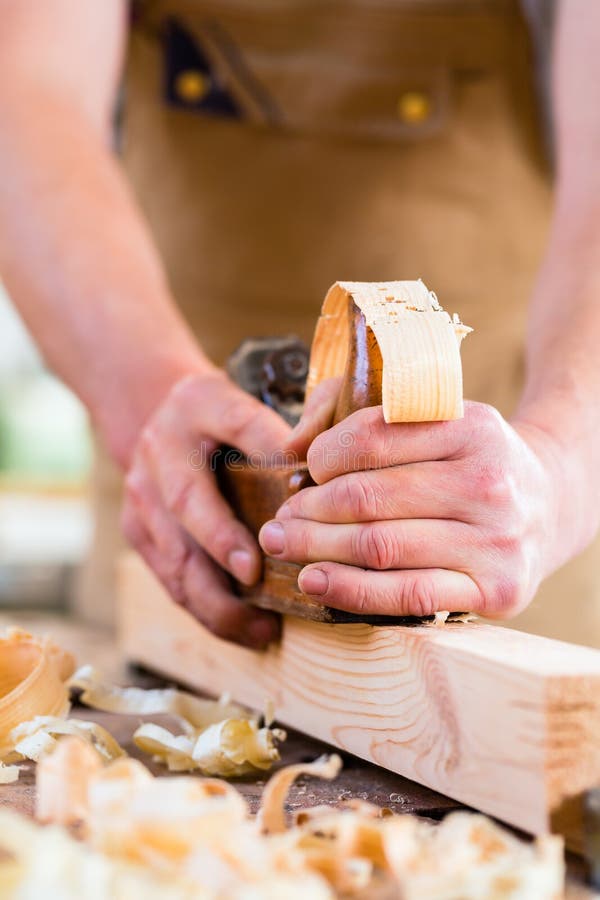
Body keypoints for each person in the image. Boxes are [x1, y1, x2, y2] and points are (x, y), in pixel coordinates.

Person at [0, 0, 599, 649]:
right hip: (179, 555)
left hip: (497, 570)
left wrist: (560, 469)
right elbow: (27, 95)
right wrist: (145, 391)